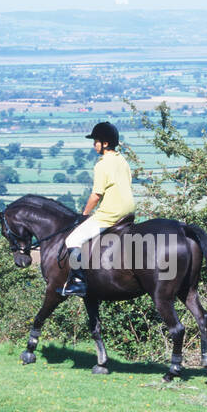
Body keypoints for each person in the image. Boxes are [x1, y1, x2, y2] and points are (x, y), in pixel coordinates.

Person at [59, 121, 136, 297]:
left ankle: (78, 282)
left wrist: (84, 215)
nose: (94, 145)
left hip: (111, 213)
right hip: (129, 210)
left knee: (72, 240)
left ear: (105, 143)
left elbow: (96, 195)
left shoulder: (102, 165)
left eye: (96, 141)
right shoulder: (121, 160)